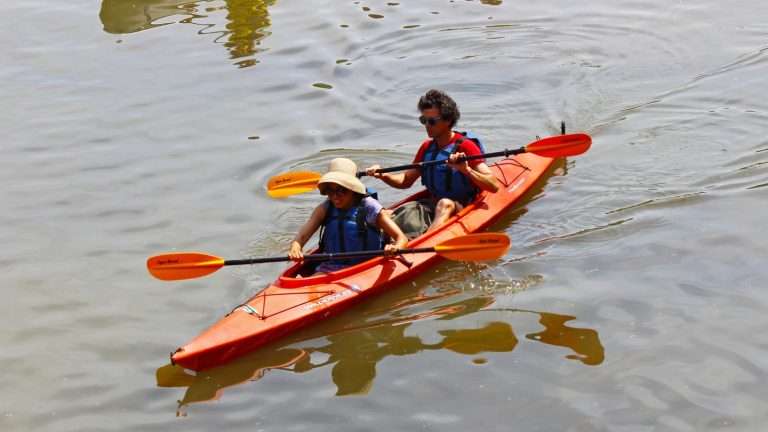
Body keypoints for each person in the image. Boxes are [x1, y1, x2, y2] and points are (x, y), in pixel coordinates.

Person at [365, 89, 499, 232]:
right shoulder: (426, 147)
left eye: (432, 121)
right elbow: (405, 181)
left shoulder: (466, 146)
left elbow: (493, 185)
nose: (427, 125)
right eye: (424, 120)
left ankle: (427, 240)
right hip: (432, 203)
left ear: (448, 120)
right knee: (387, 214)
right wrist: (383, 175)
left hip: (461, 205)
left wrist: (466, 170)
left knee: (445, 204)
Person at [288, 158, 409, 274]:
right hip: (330, 267)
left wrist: (395, 248)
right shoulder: (325, 208)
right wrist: (296, 247)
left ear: (352, 189)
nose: (335, 196)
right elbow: (301, 237)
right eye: (330, 191)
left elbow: (401, 238)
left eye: (341, 190)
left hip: (368, 267)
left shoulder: (370, 207)